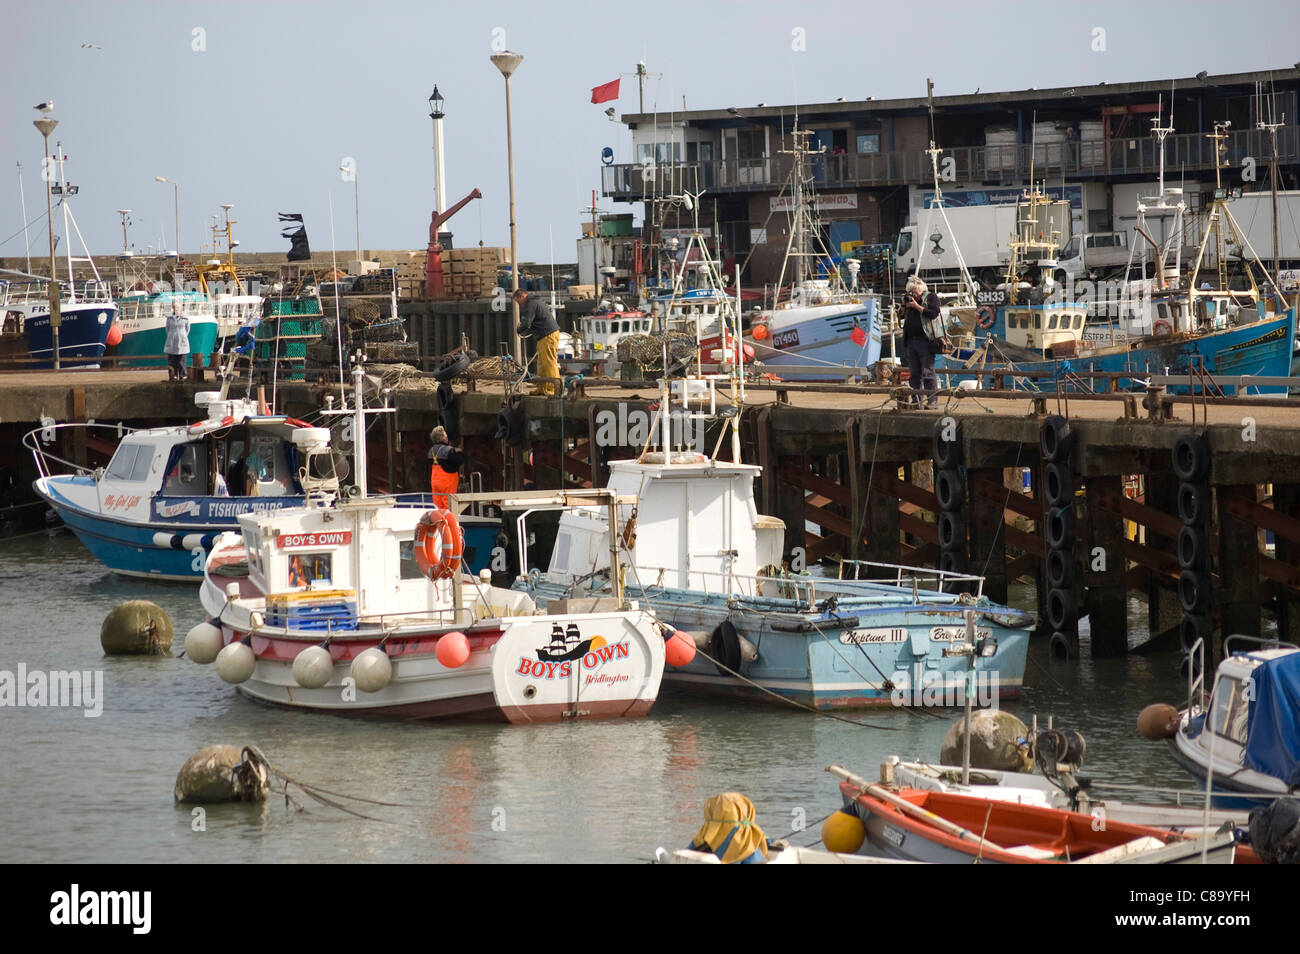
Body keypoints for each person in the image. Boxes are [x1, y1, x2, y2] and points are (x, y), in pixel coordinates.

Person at [902, 275, 941, 408]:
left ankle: (932, 401)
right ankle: (916, 401)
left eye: (914, 291)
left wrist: (917, 306)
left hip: (926, 341)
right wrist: (904, 305)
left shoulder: (931, 297)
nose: (913, 294)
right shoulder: (910, 302)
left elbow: (934, 314)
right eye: (910, 292)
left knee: (927, 372)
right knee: (914, 374)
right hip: (911, 341)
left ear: (921, 289)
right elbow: (901, 316)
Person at [513, 288, 560, 396]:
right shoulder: (535, 302)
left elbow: (527, 322)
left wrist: (519, 329)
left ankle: (554, 389)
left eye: (517, 301)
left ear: (522, 296)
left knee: (549, 362)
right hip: (544, 335)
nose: (518, 304)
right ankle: (542, 388)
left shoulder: (531, 304)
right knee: (542, 364)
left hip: (548, 335)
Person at [428, 426, 464, 509]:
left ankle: (440, 522)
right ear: (443, 437)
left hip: (435, 482)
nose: (446, 436)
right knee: (449, 507)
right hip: (446, 484)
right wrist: (459, 452)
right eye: (445, 435)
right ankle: (449, 522)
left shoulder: (431, 451)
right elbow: (459, 461)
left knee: (438, 507)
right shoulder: (449, 450)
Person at [164, 303, 190, 382]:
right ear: (173, 309)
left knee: (182, 360)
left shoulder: (185, 319)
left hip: (182, 342)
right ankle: (174, 376)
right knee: (172, 360)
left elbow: (187, 329)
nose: (177, 310)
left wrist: (182, 336)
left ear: (181, 309)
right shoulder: (169, 319)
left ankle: (183, 376)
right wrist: (172, 335)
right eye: (176, 308)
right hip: (171, 342)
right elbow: (167, 329)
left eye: (178, 308)